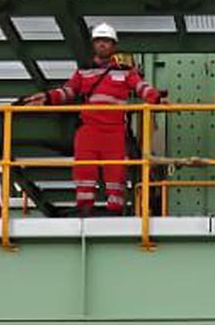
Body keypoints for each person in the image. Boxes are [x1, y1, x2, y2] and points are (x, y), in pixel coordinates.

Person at [20, 23, 165, 217]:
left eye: (106, 41)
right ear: (93, 45)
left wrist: (157, 99)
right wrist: (45, 98)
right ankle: (84, 209)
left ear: (113, 46)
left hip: (114, 131)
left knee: (116, 173)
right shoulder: (83, 72)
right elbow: (67, 91)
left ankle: (115, 210)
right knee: (84, 171)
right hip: (89, 130)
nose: (103, 45)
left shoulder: (126, 72)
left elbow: (141, 87)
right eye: (99, 41)